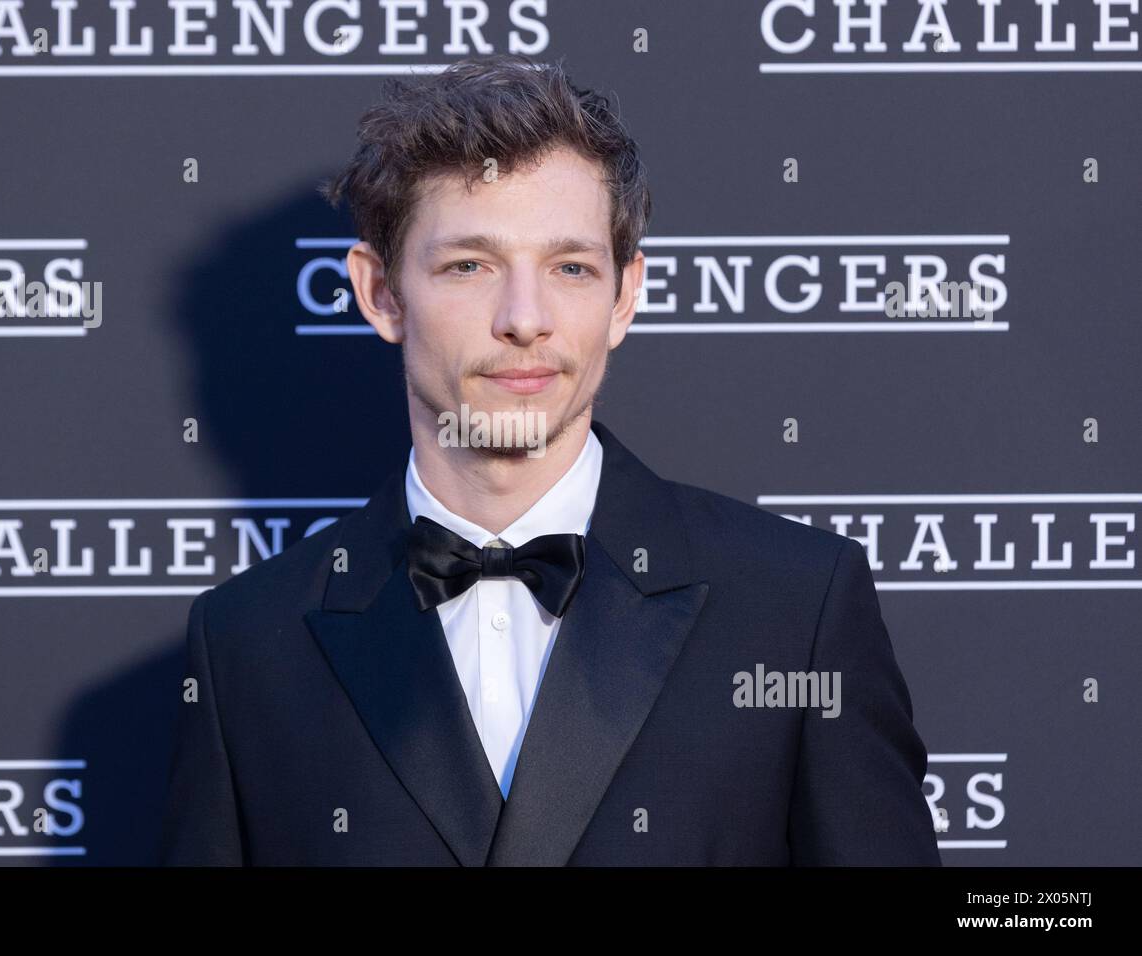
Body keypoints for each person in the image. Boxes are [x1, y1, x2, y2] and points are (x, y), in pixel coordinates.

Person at [159, 54, 941, 866]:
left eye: (570, 268)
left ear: (625, 294)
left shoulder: (795, 610)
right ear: (380, 294)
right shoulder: (248, 645)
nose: (524, 319)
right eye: (470, 266)